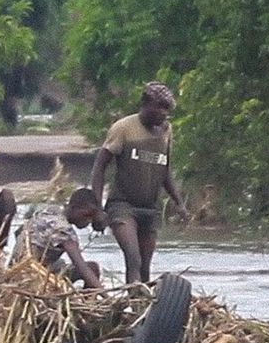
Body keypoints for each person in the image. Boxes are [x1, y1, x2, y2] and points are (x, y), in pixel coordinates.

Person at [91, 81, 189, 284]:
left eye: (167, 109)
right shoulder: (123, 128)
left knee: (145, 266)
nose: (164, 114)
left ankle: (140, 302)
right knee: (133, 258)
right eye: (159, 107)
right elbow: (100, 167)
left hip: (149, 208)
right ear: (145, 104)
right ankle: (134, 296)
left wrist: (179, 203)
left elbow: (165, 170)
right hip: (122, 206)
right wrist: (97, 208)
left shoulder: (166, 130)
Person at [12, 188, 103, 290]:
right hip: (32, 276)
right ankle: (89, 299)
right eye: (87, 215)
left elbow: (18, 232)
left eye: (92, 217)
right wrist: (105, 295)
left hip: (16, 269)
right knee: (92, 268)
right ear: (74, 207)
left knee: (60, 263)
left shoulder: (48, 211)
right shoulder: (63, 230)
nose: (89, 221)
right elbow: (81, 267)